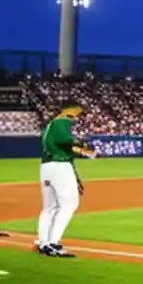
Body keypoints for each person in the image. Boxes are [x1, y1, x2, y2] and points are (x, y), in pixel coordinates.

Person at [37, 102, 97, 258]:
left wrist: (80, 153)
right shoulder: (62, 121)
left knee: (49, 207)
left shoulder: (50, 125)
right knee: (69, 204)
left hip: (46, 167)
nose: (78, 116)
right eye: (78, 111)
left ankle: (44, 243)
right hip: (60, 166)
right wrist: (82, 144)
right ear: (69, 109)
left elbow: (63, 146)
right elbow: (66, 139)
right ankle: (54, 243)